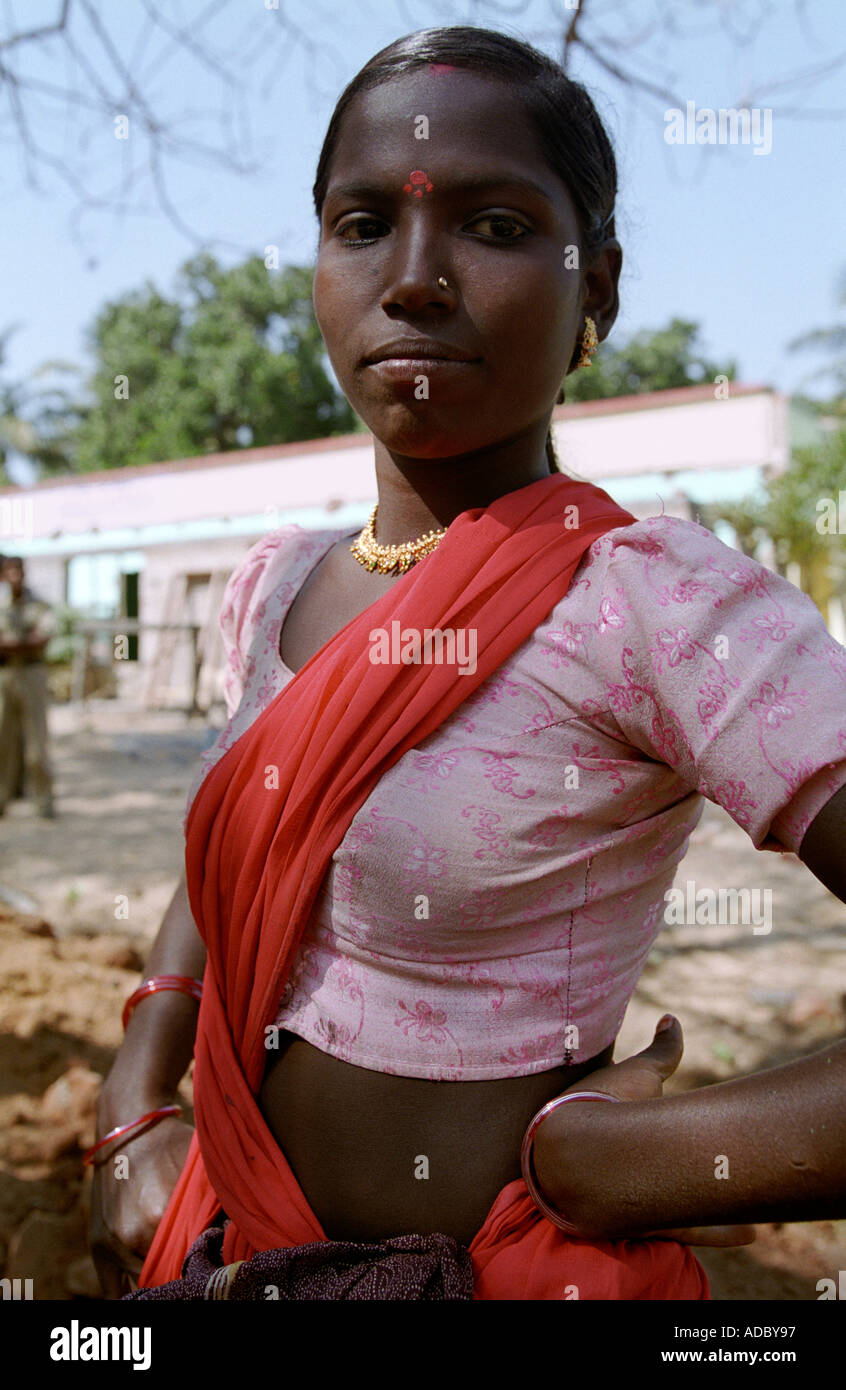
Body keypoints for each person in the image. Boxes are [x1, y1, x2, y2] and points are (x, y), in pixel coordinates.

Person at [88, 27, 846, 1301]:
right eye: (363, 222)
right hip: (235, 1246)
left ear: (594, 290)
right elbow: (245, 851)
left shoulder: (651, 605)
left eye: (496, 227)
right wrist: (136, 1091)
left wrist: (633, 1166)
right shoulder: (272, 582)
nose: (416, 278)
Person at [0, 554, 57, 819]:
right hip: (5, 675)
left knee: (37, 743)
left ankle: (43, 799)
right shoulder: (3, 606)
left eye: (17, 571)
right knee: (4, 741)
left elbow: (41, 640)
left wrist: (10, 643)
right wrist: (22, 641)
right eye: (8, 572)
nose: (13, 577)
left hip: (32, 674)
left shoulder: (39, 605)